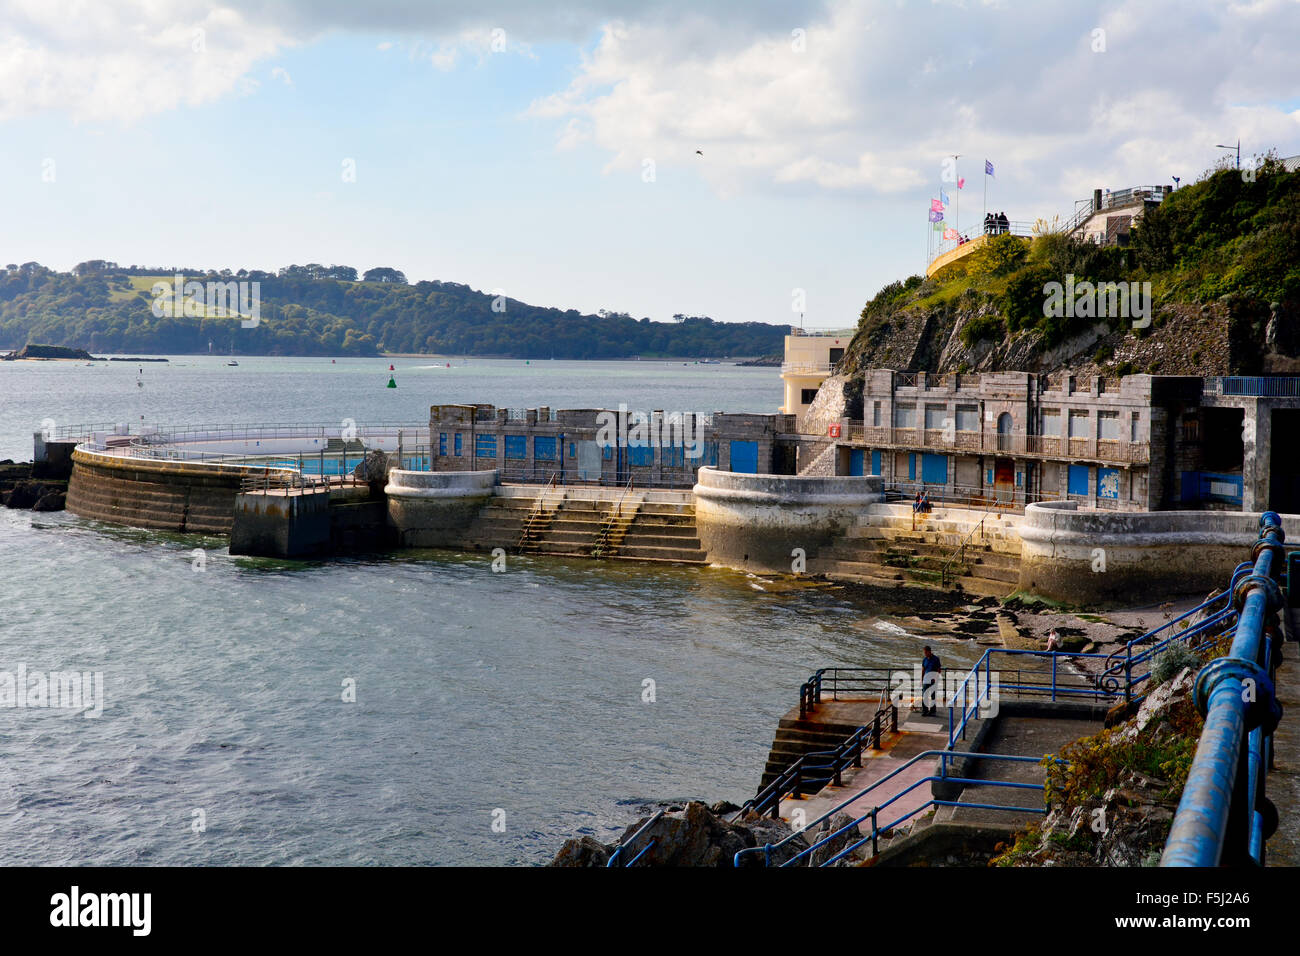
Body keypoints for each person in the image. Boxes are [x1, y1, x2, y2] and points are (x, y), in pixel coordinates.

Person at [921, 645, 942, 716]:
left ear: (929, 651)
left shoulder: (936, 659)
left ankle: (932, 711)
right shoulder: (924, 659)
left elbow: (939, 670)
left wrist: (935, 678)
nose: (925, 654)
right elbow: (923, 669)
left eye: (926, 652)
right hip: (926, 680)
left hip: (933, 680)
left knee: (933, 696)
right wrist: (922, 679)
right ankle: (925, 710)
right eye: (924, 652)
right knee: (924, 695)